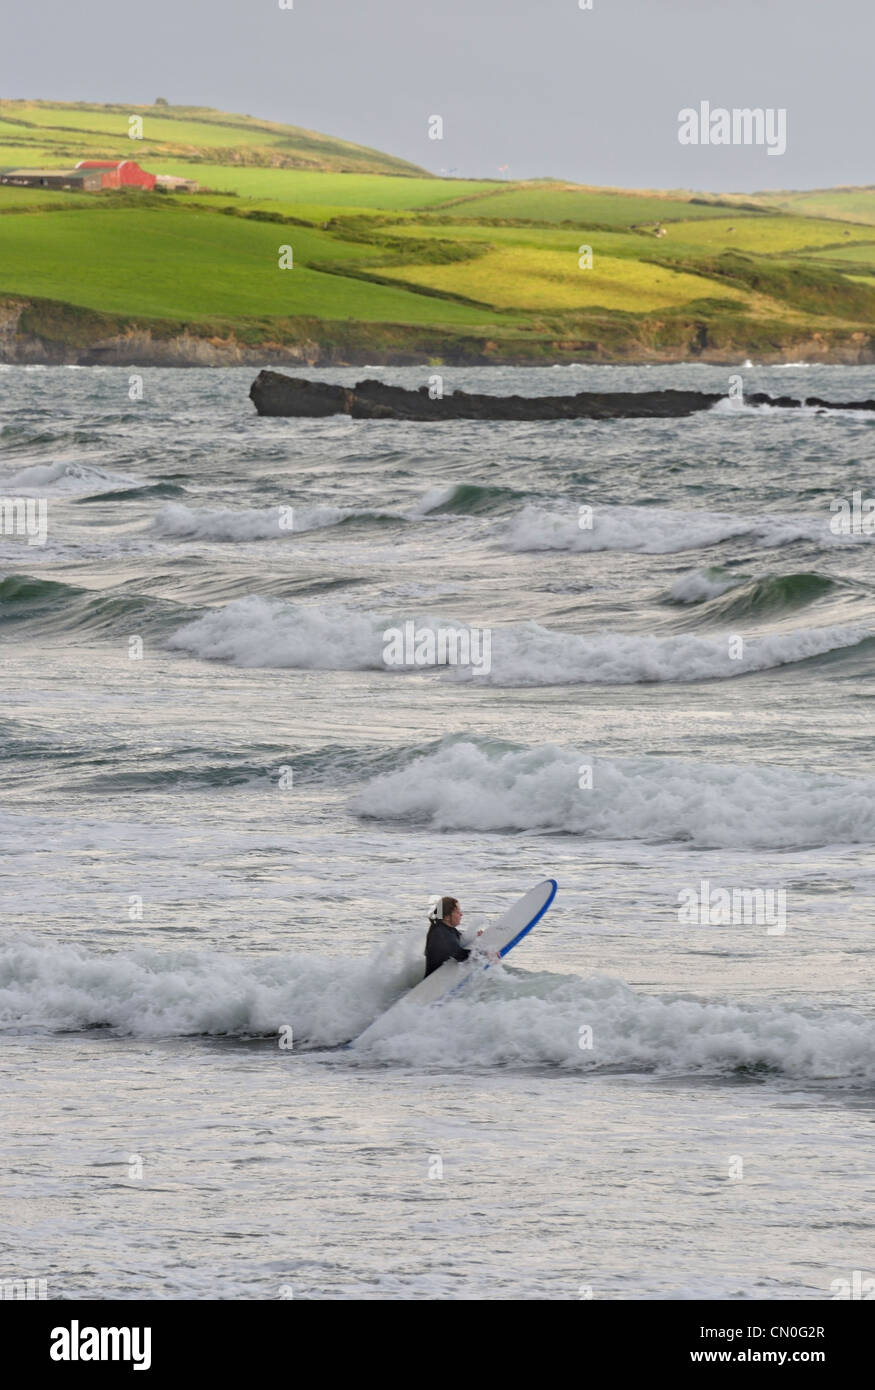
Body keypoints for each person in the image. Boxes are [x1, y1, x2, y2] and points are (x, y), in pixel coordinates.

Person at [424, 895, 497, 978]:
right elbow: (460, 955)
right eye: (457, 911)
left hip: (437, 977)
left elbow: (459, 939)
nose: (461, 914)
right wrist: (485, 954)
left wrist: (475, 936)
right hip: (432, 983)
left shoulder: (443, 927)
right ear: (447, 917)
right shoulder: (441, 934)